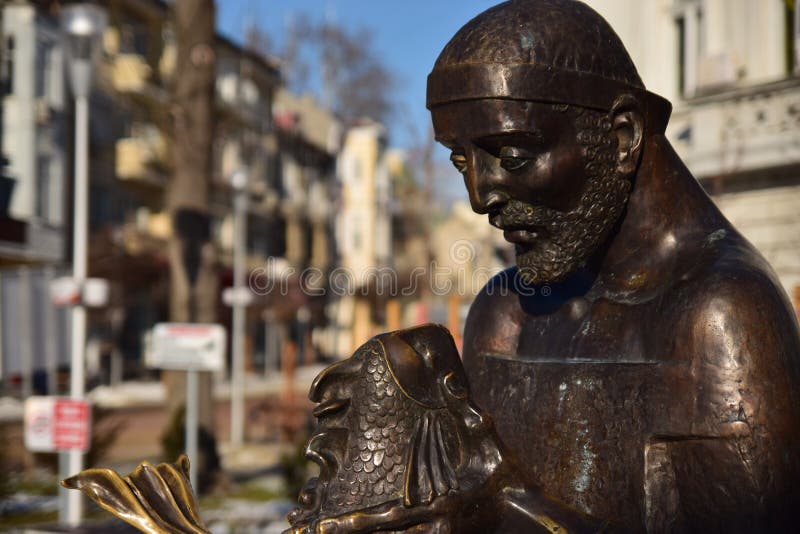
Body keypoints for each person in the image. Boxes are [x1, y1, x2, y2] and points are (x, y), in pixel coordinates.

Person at [426, 0, 800, 530]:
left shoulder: (717, 318)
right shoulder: (504, 314)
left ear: (622, 137)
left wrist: (502, 503)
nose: (479, 197)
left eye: (512, 158)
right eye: (462, 161)